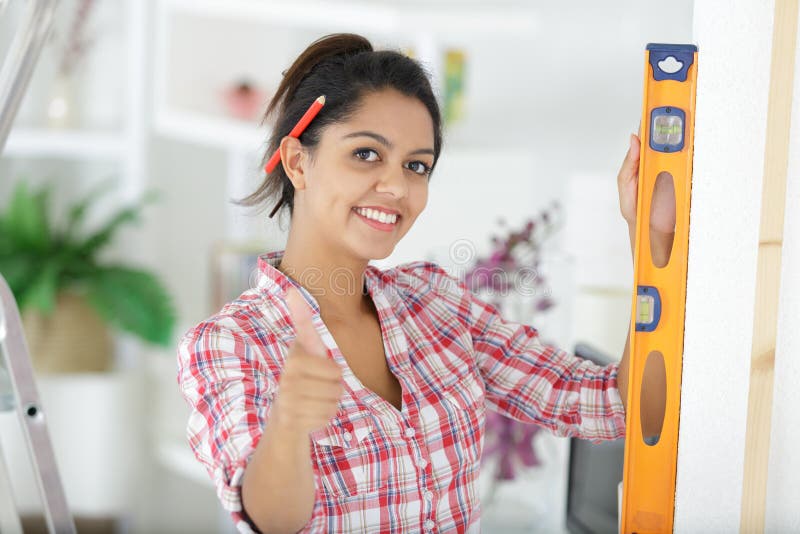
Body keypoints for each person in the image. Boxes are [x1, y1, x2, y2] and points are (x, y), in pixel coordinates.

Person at [176, 32, 673, 534]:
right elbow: (271, 520)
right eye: (367, 154)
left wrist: (648, 237)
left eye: (416, 166)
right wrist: (288, 426)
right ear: (297, 161)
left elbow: (614, 408)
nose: (396, 187)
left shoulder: (435, 303)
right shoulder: (230, 344)